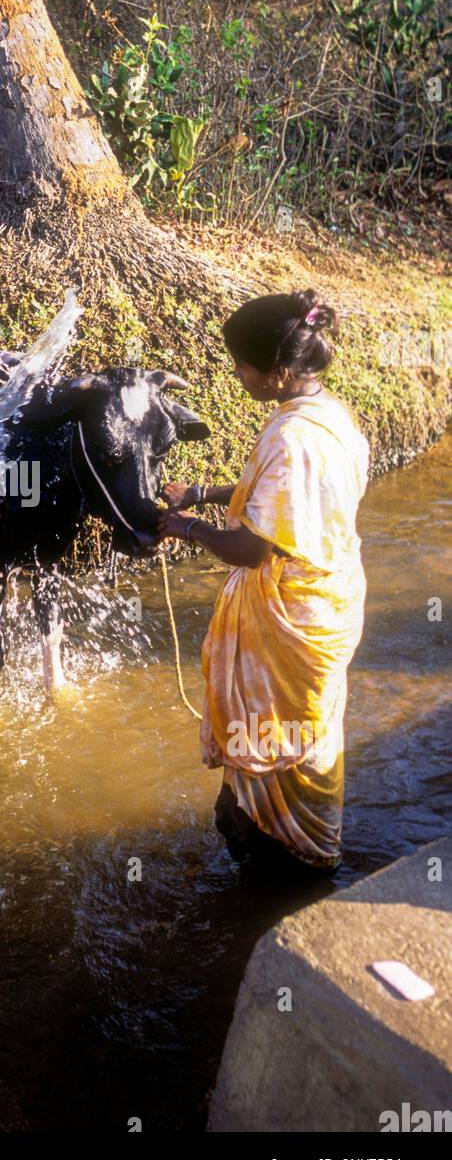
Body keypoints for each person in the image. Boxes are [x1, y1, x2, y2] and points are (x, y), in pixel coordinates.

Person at [157, 290, 369, 873]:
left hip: (292, 615)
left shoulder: (293, 438)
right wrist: (204, 492)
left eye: (243, 367)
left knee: (274, 765)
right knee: (311, 738)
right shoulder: (326, 416)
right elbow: (279, 497)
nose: (237, 375)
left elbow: (251, 548)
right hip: (327, 599)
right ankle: (294, 838)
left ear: (277, 371)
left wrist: (187, 526)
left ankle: (291, 857)